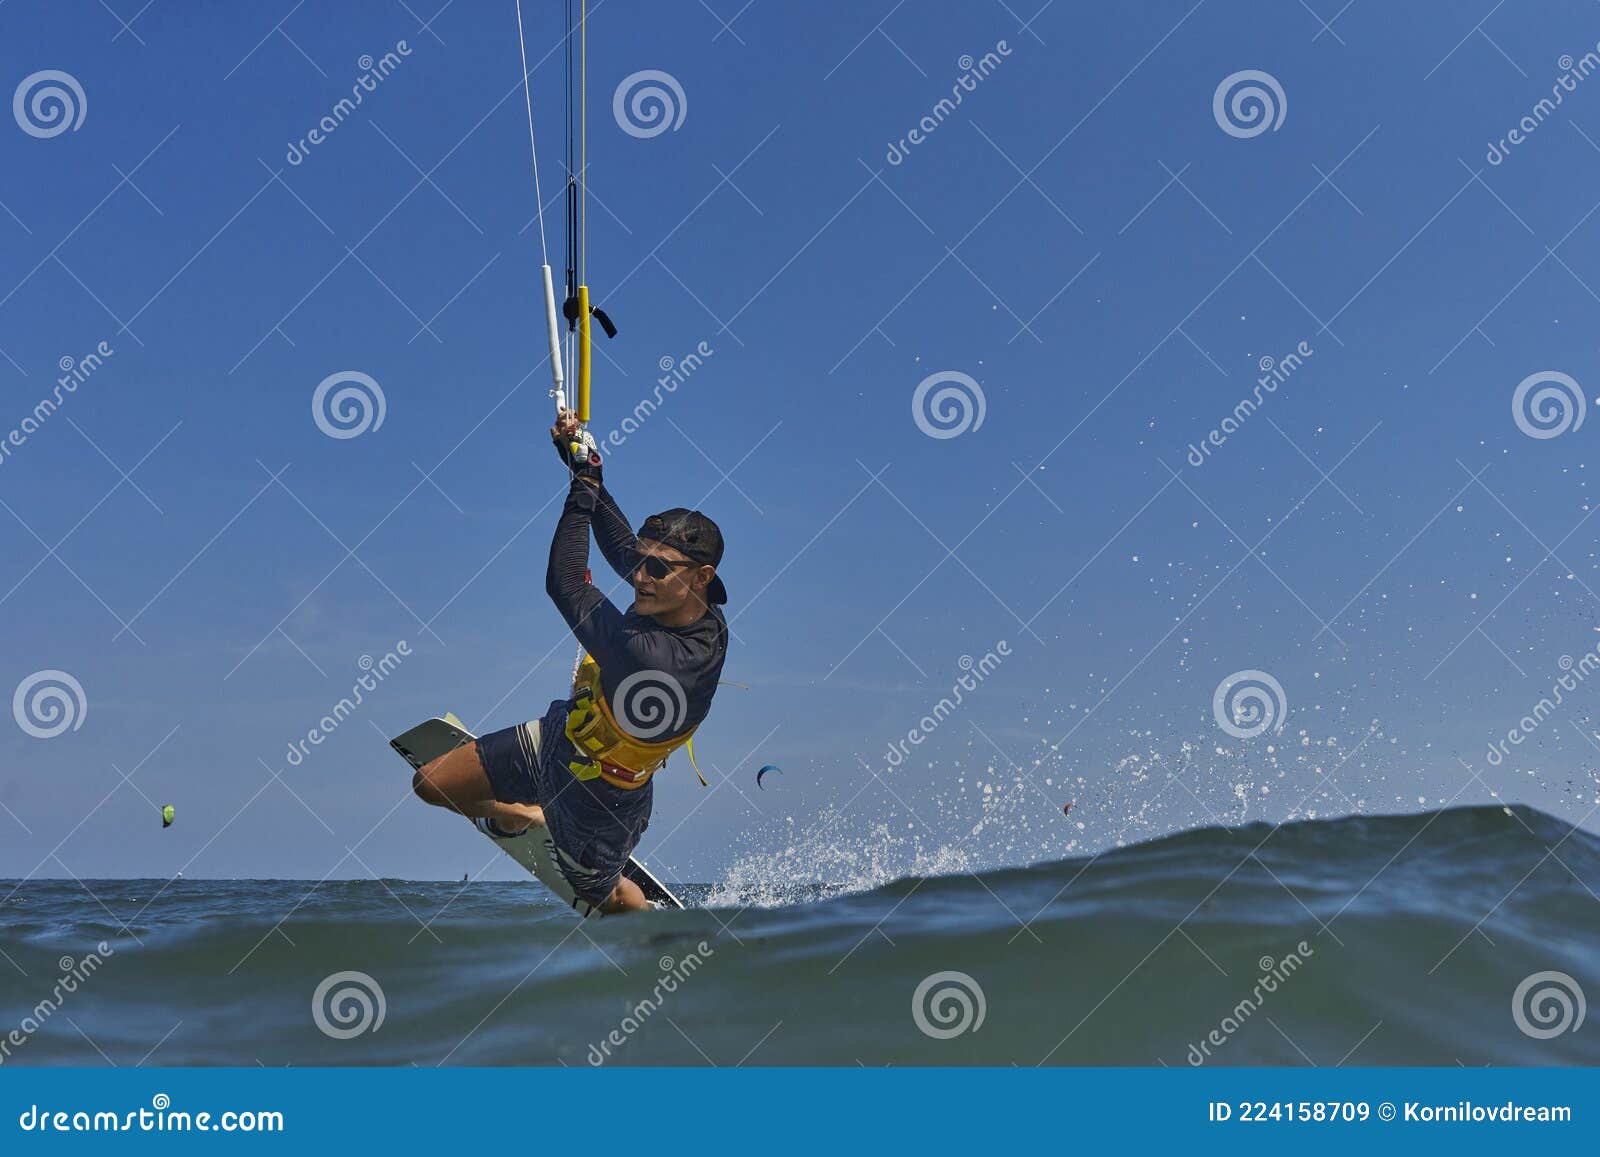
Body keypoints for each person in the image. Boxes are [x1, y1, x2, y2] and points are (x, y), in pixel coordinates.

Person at [411, 409, 728, 914]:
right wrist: (585, 465)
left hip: (601, 796)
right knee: (430, 783)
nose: (639, 577)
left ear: (702, 576)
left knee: (612, 901)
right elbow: (622, 550)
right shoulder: (681, 600)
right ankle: (525, 814)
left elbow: (565, 583)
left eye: (656, 569)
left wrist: (583, 489)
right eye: (642, 562)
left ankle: (652, 923)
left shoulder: (657, 659)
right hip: (560, 735)